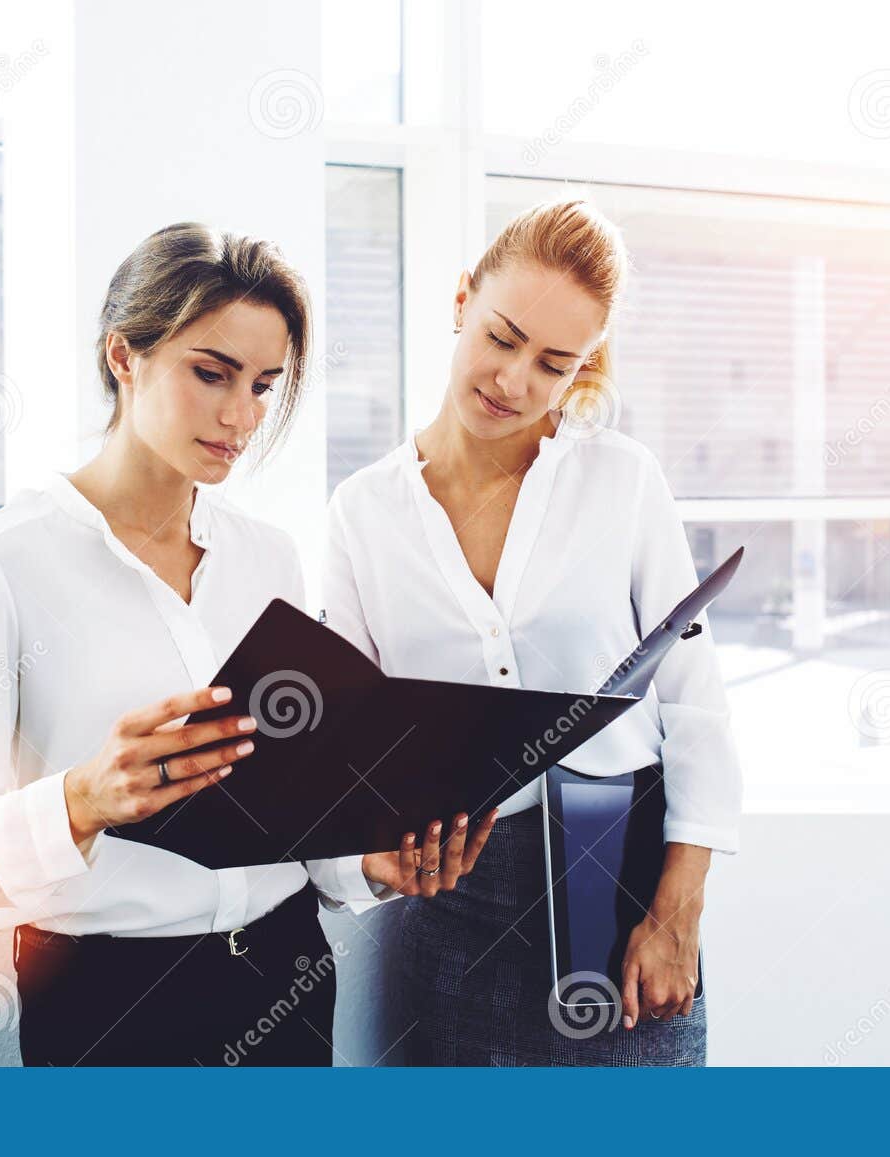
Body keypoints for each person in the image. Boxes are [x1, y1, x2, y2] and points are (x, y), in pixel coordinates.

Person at [0, 223, 494, 1067]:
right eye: (211, 373)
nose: (240, 416)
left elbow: (289, 810)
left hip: (286, 976)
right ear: (124, 356)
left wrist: (374, 861)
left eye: (264, 386)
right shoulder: (3, 561)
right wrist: (84, 798)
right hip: (107, 1000)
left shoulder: (268, 556)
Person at [323, 199, 743, 1065]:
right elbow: (347, 747)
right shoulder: (363, 512)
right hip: (452, 921)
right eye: (501, 337)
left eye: (554, 364)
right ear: (460, 301)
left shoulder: (622, 481)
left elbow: (695, 703)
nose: (513, 380)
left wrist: (678, 912)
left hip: (623, 907)